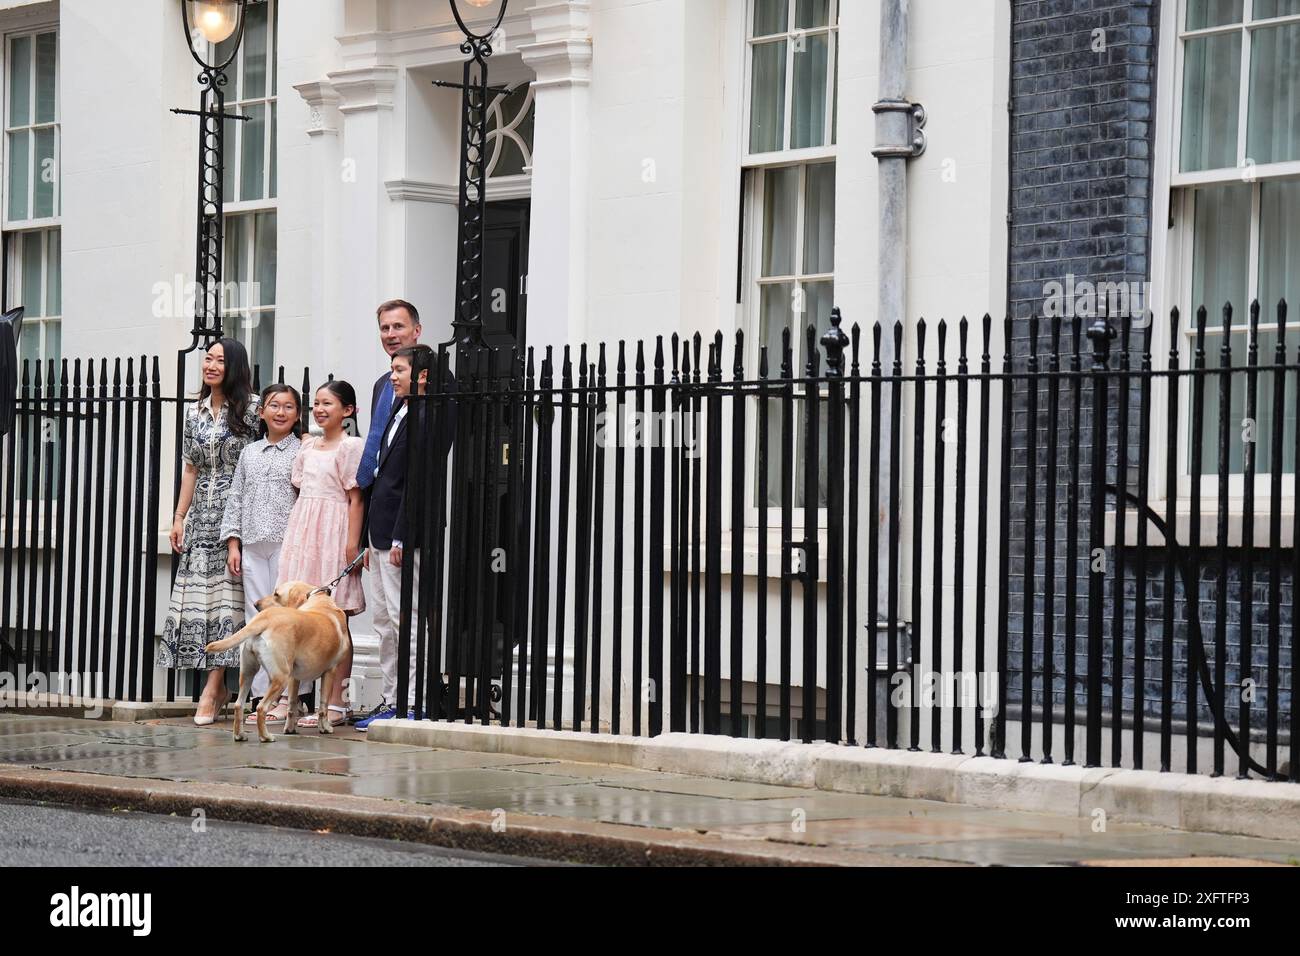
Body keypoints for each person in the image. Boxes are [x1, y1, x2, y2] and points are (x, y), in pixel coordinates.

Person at [157, 338, 260, 725]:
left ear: (234, 366)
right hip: (201, 513)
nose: (211, 365)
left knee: (229, 599)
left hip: (237, 515)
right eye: (208, 358)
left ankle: (214, 687)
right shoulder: (193, 412)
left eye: (220, 360)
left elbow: (270, 448)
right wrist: (179, 516)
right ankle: (216, 685)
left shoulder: (251, 409)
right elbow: (190, 467)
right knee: (202, 598)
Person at [276, 380, 366, 729]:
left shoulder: (350, 447)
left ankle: (337, 701)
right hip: (304, 531)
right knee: (296, 617)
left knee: (336, 618)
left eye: (328, 403)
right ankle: (290, 699)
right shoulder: (308, 447)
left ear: (347, 411)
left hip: (334, 530)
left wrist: (351, 544)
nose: (319, 409)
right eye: (315, 403)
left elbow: (356, 498)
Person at [355, 345, 433, 731]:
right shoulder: (395, 412)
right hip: (378, 533)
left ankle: (412, 701)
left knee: (407, 619)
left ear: (421, 376)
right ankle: (391, 698)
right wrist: (368, 539)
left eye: (399, 369)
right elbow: (379, 477)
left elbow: (417, 482)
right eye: (392, 369)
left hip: (401, 537)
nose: (393, 376)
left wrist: (402, 536)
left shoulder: (423, 417)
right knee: (384, 623)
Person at [219, 382, 304, 726]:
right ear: (261, 411)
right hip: (252, 544)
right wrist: (233, 543)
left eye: (288, 407)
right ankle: (258, 694)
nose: (280, 412)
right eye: (274, 405)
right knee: (258, 622)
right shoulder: (249, 453)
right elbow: (236, 496)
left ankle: (288, 695)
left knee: (287, 621)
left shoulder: (303, 451)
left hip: (287, 544)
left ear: (298, 414)